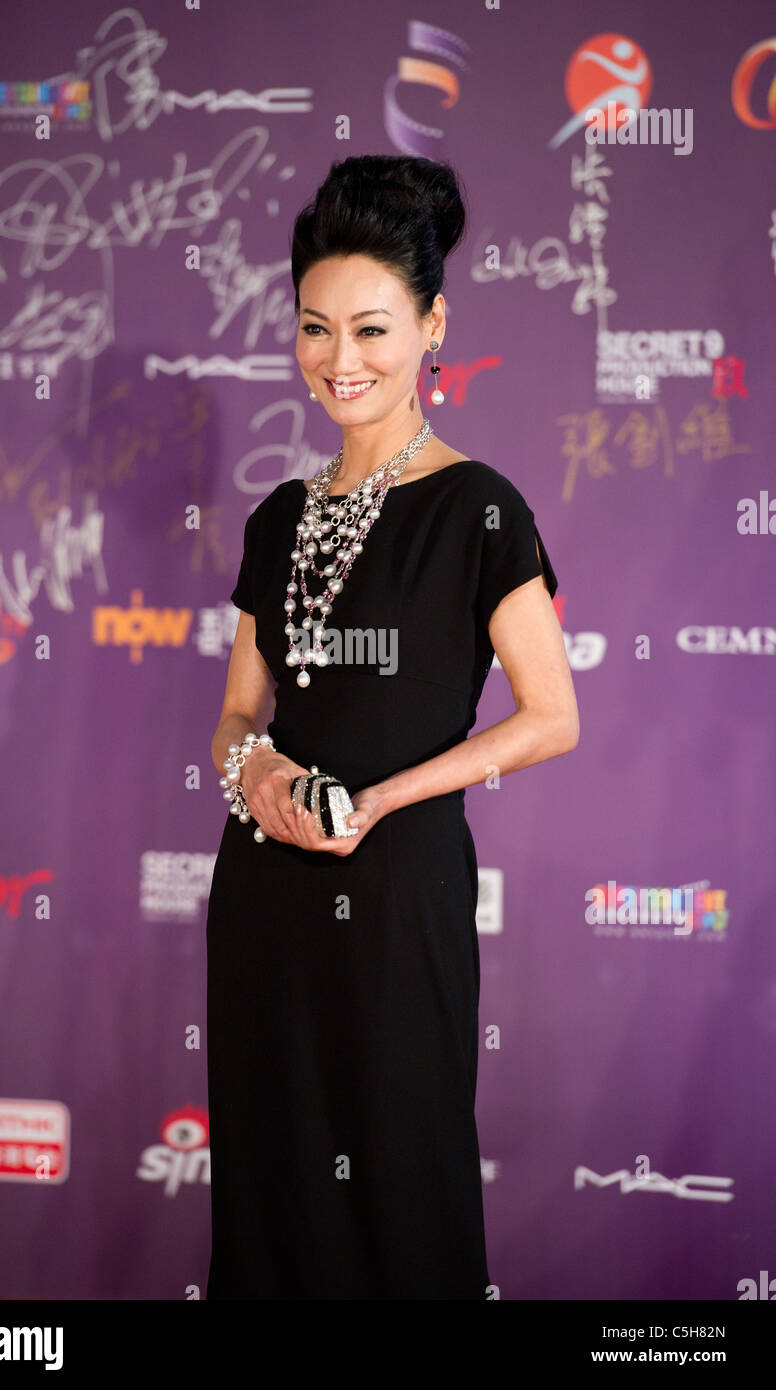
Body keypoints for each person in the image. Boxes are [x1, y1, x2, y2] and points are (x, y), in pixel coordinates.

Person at [205, 154, 579, 1300]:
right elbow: (234, 711)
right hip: (267, 895)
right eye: (316, 331)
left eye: (371, 329)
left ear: (432, 326)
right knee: (272, 1190)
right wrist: (253, 768)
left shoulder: (478, 509)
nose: (341, 360)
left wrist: (386, 799)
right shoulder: (280, 515)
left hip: (401, 892)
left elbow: (553, 716)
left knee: (401, 1190)